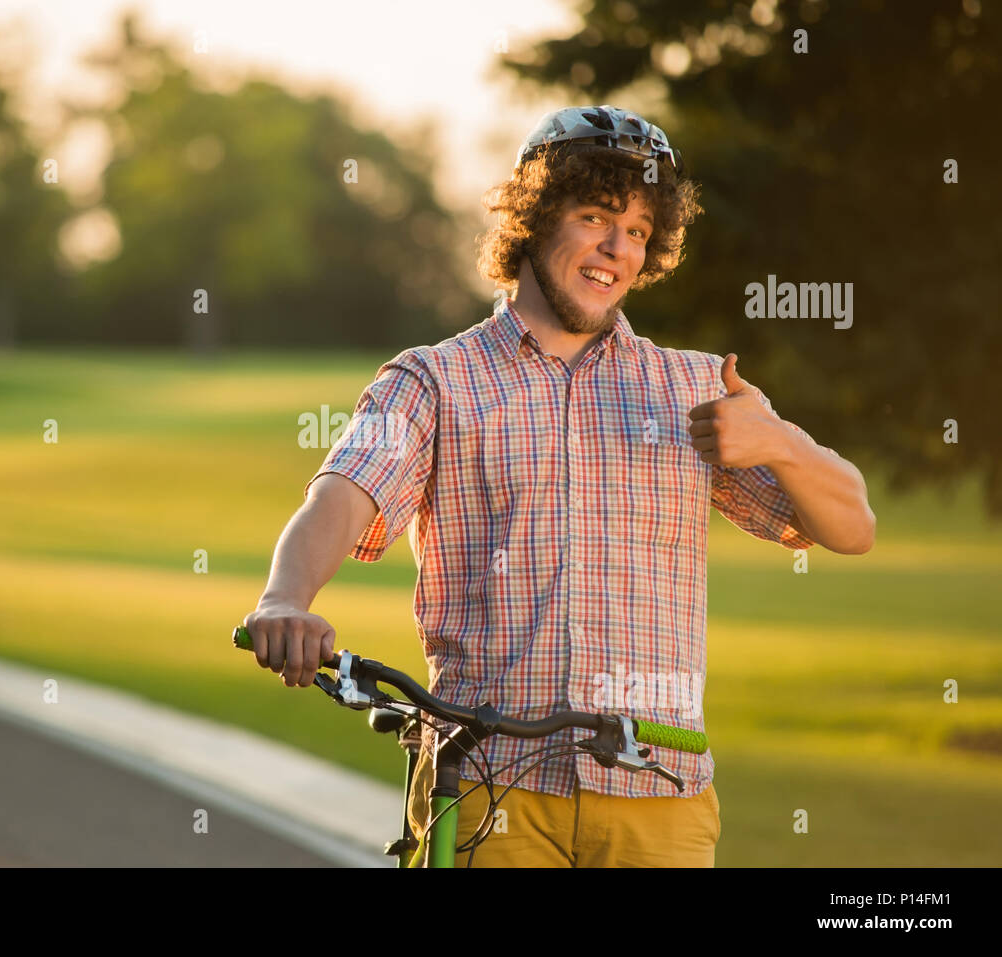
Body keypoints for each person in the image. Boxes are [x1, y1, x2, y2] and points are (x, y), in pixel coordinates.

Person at [243, 105, 876, 867]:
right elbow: (343, 493)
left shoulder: (698, 388)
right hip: (486, 789)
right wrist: (285, 598)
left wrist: (779, 439)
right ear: (536, 219)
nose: (618, 248)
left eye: (640, 229)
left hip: (659, 795)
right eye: (596, 217)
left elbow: (852, 526)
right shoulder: (434, 380)